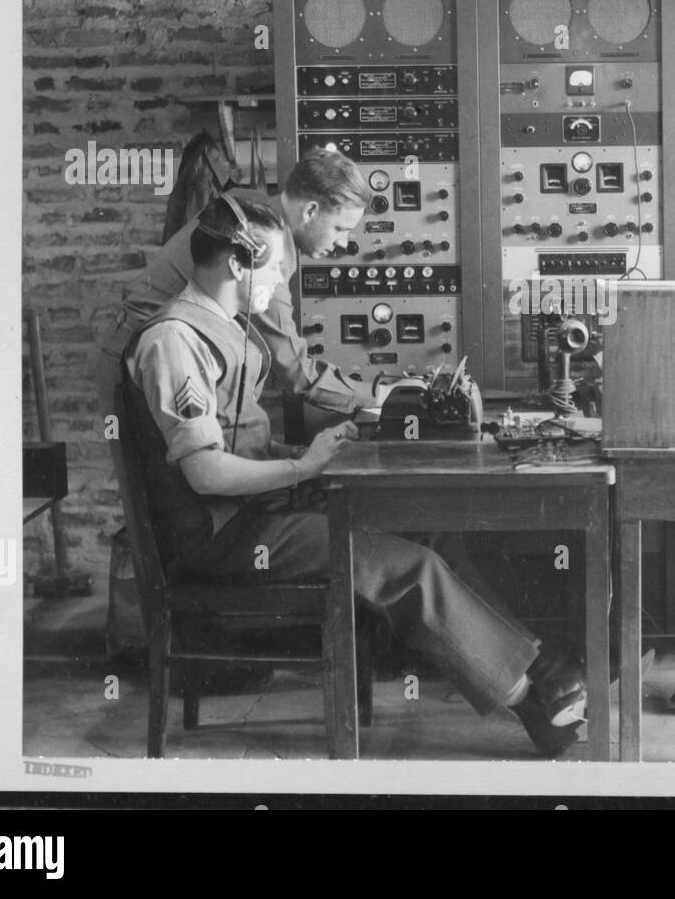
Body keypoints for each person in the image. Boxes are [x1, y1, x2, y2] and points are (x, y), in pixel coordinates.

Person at [119, 194, 588, 757]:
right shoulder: (173, 339)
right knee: (405, 567)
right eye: (273, 270)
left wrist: (318, 452)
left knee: (425, 529)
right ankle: (534, 704)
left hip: (255, 512)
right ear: (238, 265)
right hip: (222, 535)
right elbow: (206, 473)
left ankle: (538, 667)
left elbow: (244, 445)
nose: (280, 284)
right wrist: (304, 466)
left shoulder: (224, 328)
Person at [96, 146, 373, 423]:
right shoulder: (261, 248)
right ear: (311, 210)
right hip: (137, 363)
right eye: (341, 228)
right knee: (151, 464)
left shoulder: (253, 205)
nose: (343, 243)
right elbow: (297, 373)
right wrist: (380, 395)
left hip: (160, 354)